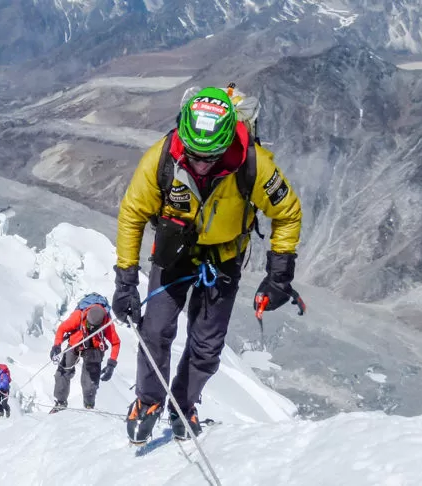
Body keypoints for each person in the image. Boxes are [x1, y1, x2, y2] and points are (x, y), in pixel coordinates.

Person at [112, 86, 303, 444]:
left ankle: (183, 404)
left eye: (210, 156)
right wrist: (125, 280)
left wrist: (279, 274)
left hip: (223, 260)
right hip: (174, 255)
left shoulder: (252, 162)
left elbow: (287, 212)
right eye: (194, 155)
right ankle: (149, 401)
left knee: (207, 345)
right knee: (154, 332)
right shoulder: (163, 158)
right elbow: (132, 214)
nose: (200, 163)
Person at [49, 302, 120, 412]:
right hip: (75, 344)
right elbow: (62, 329)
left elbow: (116, 342)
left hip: (94, 349)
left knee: (90, 382)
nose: (90, 328)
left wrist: (112, 363)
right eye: (88, 325)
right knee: (63, 372)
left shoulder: (107, 324)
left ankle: (89, 405)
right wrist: (56, 345)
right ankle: (60, 402)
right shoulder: (78, 316)